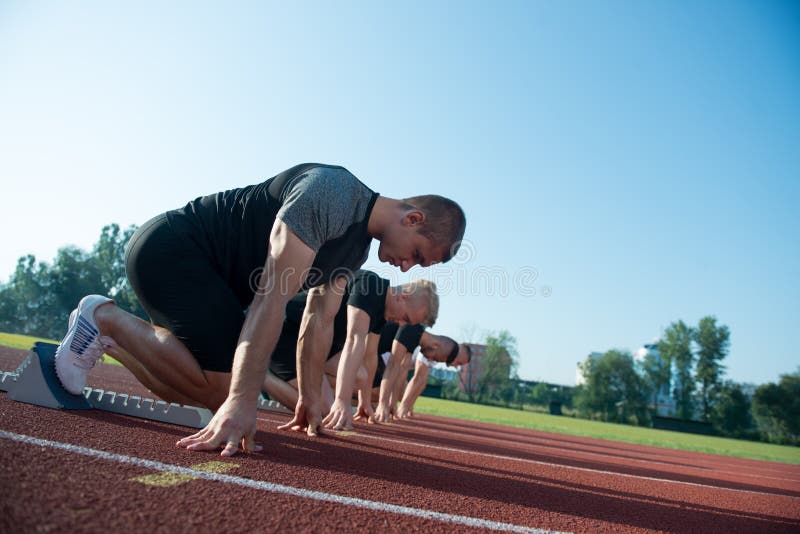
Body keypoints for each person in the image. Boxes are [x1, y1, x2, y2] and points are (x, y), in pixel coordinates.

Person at [52, 163, 465, 456]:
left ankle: (108, 336)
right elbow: (272, 297)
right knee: (226, 391)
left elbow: (317, 323)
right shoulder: (332, 194)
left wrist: (306, 396)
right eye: (416, 255)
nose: (407, 267)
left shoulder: (355, 251)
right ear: (412, 218)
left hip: (215, 286)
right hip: (174, 251)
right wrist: (244, 398)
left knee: (217, 395)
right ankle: (103, 317)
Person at [262, 270, 437, 417]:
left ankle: (308, 382)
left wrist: (365, 402)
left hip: (315, 346)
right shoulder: (370, 285)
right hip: (288, 336)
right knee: (323, 410)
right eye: (406, 318)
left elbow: (369, 357)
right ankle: (260, 374)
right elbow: (354, 341)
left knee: (361, 377)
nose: (402, 324)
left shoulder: (381, 312)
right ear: (402, 297)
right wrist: (342, 400)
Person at [368, 324, 471, 422]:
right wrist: (385, 403)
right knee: (376, 391)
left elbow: (403, 371)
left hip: (375, 359)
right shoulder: (411, 330)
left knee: (381, 391)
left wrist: (393, 403)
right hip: (370, 357)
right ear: (435, 346)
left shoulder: (416, 340)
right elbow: (395, 366)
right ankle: (361, 401)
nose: (430, 360)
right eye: (433, 358)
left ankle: (365, 402)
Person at [396, 342, 471, 419]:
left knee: (404, 393)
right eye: (458, 363)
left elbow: (422, 383)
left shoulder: (439, 356)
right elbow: (418, 378)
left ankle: (402, 406)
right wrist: (404, 406)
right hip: (389, 361)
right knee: (400, 395)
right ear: (456, 353)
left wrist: (409, 406)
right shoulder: (436, 349)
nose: (456, 366)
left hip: (397, 368)